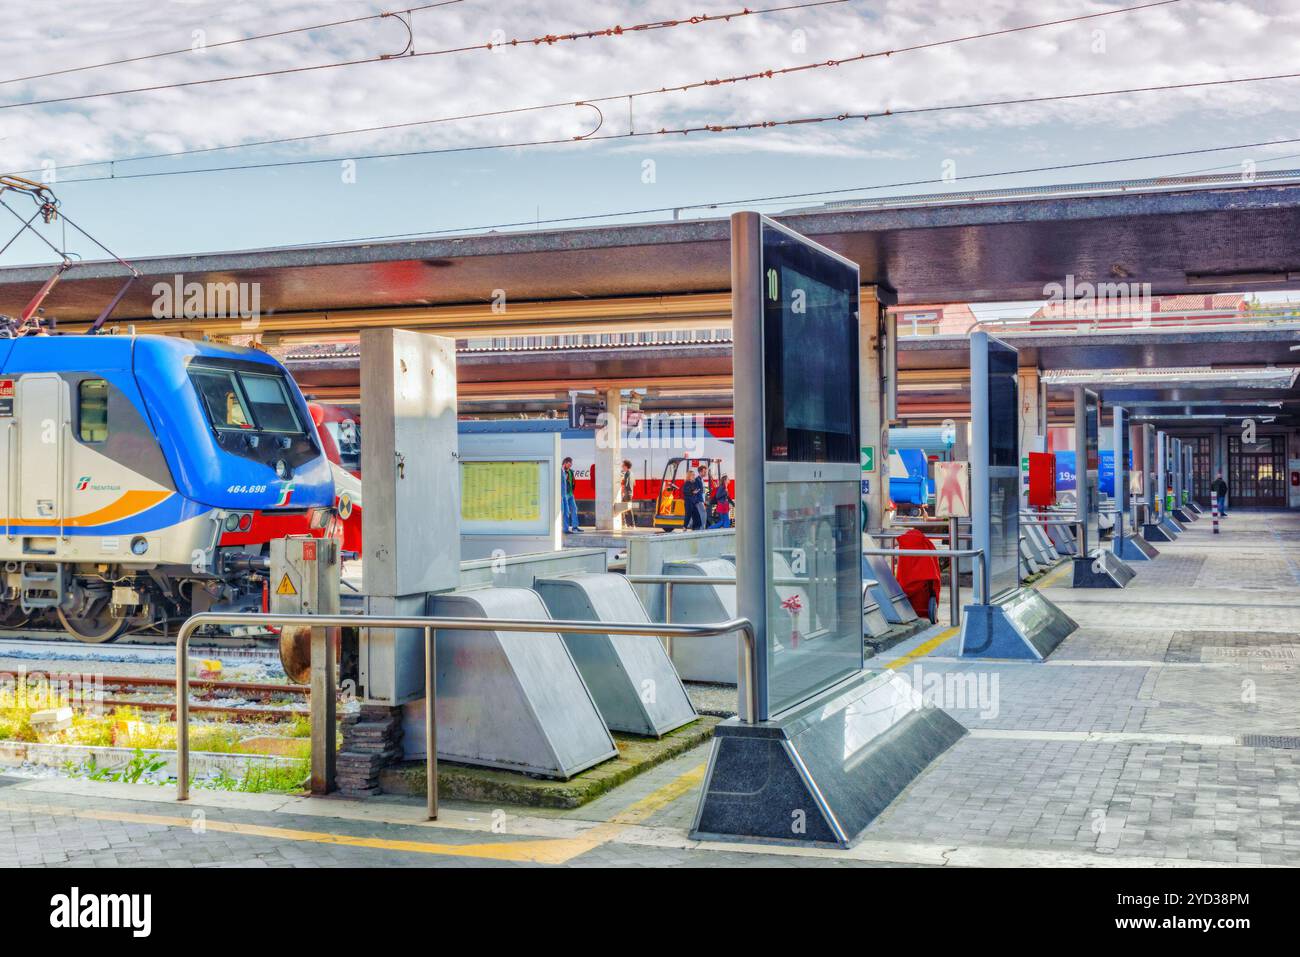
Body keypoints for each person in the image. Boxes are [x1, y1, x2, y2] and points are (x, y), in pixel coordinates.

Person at [682, 464, 707, 532]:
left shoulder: (693, 482)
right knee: (688, 515)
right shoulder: (687, 483)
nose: (694, 476)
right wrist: (693, 492)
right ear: (689, 476)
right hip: (689, 502)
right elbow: (685, 492)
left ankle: (696, 528)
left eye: (694, 474)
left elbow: (696, 490)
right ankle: (685, 527)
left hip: (693, 501)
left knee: (696, 515)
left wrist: (695, 492)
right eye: (692, 475)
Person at [561, 457, 579, 533]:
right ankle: (565, 528)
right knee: (566, 511)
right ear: (564, 463)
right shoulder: (561, 472)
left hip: (570, 494)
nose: (569, 466)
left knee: (574, 509)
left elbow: (572, 482)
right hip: (564, 494)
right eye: (568, 465)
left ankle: (575, 527)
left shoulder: (571, 472)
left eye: (571, 465)